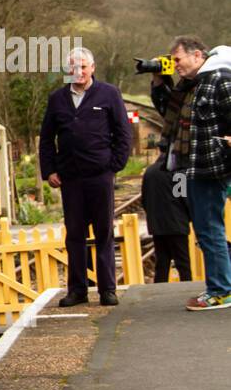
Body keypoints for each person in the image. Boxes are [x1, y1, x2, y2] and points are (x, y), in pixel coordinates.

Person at [38, 46, 132, 307]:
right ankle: (77, 290)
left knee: (104, 232)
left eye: (82, 67)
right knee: (75, 234)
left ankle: (107, 290)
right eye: (72, 67)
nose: (77, 72)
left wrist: (114, 165)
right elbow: (46, 139)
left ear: (92, 68)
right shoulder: (57, 98)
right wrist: (50, 171)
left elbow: (123, 133)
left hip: (100, 175)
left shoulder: (109, 94)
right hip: (71, 178)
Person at [153, 36, 231, 310]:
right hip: (194, 167)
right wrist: (158, 82)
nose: (174, 65)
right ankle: (221, 285)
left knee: (210, 230)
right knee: (205, 230)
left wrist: (224, 147)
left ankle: (221, 290)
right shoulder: (194, 84)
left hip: (211, 167)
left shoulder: (219, 78)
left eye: (177, 59)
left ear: (197, 55)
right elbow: (169, 113)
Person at [141, 155, 191, 282]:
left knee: (161, 264)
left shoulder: (150, 171)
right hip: (177, 223)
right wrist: (189, 217)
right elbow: (183, 198)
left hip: (157, 225)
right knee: (183, 263)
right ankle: (187, 289)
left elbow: (144, 200)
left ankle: (159, 291)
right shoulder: (178, 171)